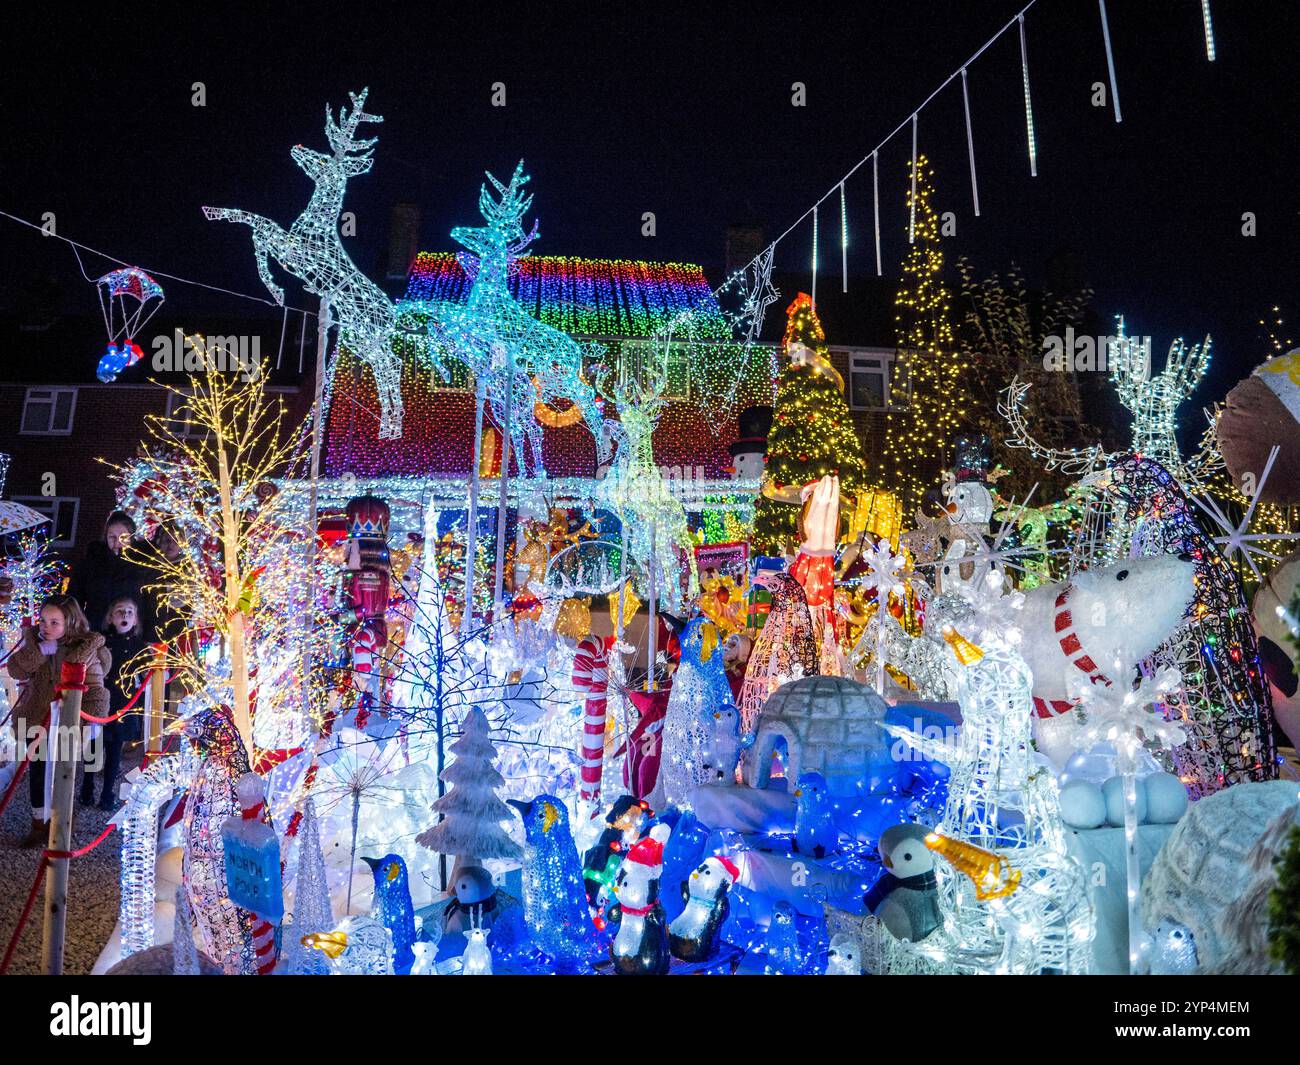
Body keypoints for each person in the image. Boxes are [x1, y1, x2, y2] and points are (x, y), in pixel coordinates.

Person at [6, 595, 110, 847]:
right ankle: (38, 823)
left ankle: (62, 822)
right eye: (43, 620)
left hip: (67, 721)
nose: (46, 627)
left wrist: (92, 721)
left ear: (70, 621)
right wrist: (39, 652)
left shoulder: (85, 649)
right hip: (37, 717)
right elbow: (16, 670)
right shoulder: (35, 642)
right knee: (38, 770)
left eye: (54, 622)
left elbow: (95, 686)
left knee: (63, 773)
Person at [80, 596, 146, 810]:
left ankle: (108, 793)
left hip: (123, 704)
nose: (125, 615)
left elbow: (147, 671)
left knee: (115, 751)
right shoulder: (101, 641)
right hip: (100, 702)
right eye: (120, 611)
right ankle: (87, 789)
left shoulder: (139, 646)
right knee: (93, 748)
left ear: (135, 620)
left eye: (129, 611)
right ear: (110, 617)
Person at [65, 510, 157, 640]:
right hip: (96, 632)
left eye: (123, 537)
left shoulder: (144, 565)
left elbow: (152, 603)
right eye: (112, 537)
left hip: (131, 635)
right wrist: (75, 628)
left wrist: (150, 635)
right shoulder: (91, 563)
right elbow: (74, 598)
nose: (117, 542)